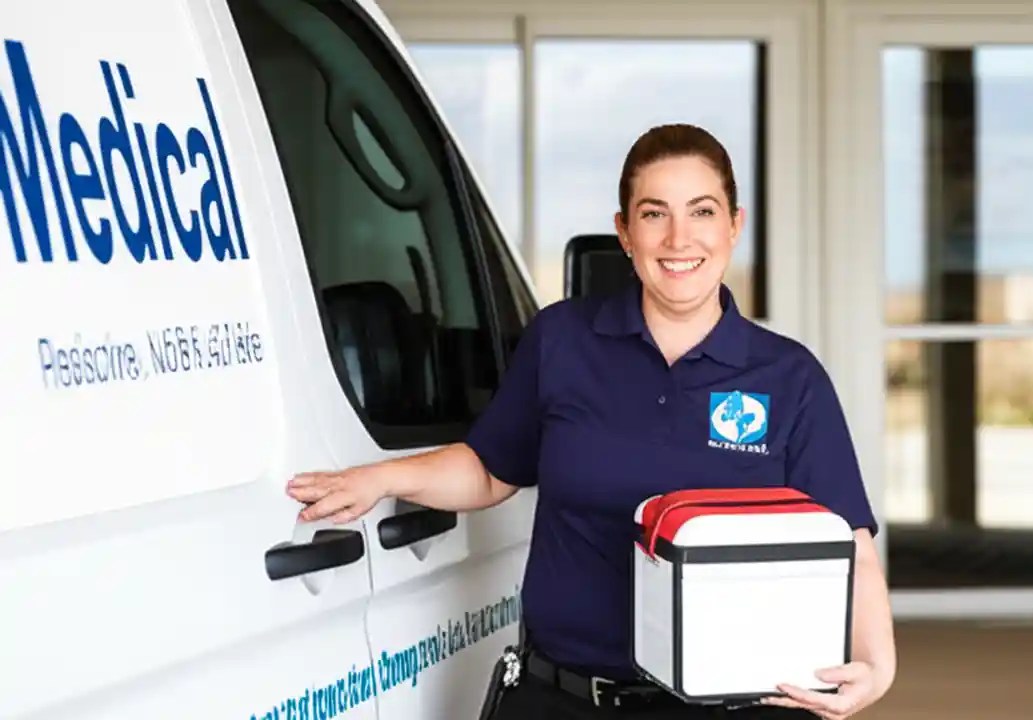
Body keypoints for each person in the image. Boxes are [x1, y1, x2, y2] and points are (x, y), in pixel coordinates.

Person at [287, 123, 896, 718]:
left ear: (735, 225)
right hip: (568, 698)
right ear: (625, 233)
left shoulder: (789, 378)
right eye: (655, 214)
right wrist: (382, 478)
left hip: (738, 704)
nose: (679, 238)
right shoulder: (562, 340)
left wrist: (877, 663)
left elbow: (853, 546)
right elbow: (490, 469)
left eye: (703, 212)